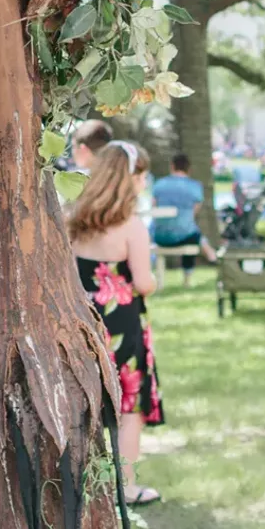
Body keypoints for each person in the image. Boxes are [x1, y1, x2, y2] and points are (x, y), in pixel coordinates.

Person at [68, 141, 164, 505]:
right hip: (122, 325)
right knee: (128, 408)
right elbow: (142, 282)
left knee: (86, 400)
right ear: (129, 178)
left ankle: (83, 482)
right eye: (142, 175)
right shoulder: (131, 226)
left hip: (82, 320)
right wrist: (152, 282)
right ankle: (125, 486)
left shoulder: (72, 218)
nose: (144, 181)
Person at [152, 151, 207, 277]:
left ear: (172, 166)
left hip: (160, 237)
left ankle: (211, 255)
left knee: (191, 231)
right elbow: (194, 212)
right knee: (193, 233)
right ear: (189, 168)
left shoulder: (159, 184)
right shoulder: (195, 186)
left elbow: (154, 208)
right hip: (185, 236)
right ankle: (189, 273)